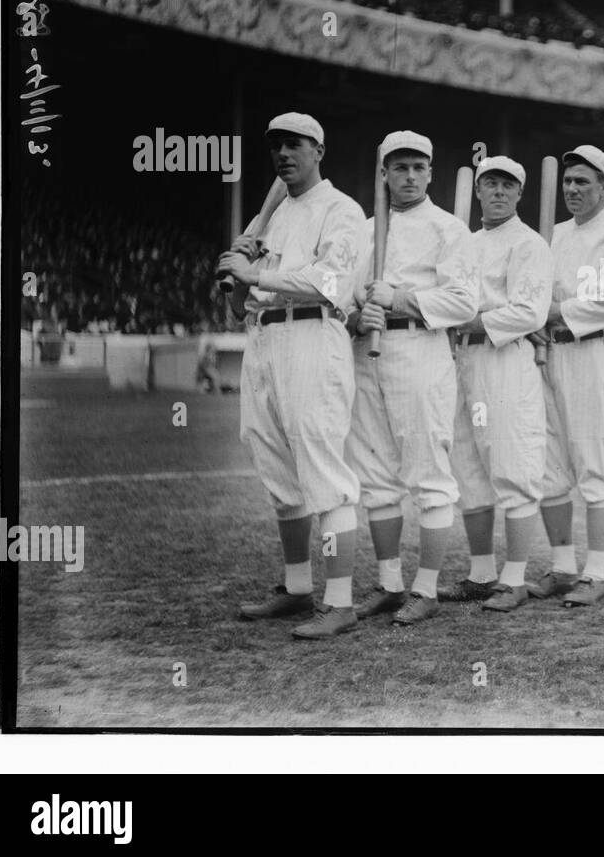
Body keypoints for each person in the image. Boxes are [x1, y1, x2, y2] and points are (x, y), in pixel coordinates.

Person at [218, 112, 368, 639]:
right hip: (264, 338)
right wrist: (235, 275)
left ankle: (341, 602)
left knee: (322, 471)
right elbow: (242, 305)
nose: (284, 153)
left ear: (318, 150)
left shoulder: (341, 209)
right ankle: (299, 587)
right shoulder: (273, 217)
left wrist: (256, 272)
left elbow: (330, 280)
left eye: (295, 145)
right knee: (275, 465)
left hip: (312, 337)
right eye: (276, 145)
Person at [345, 131, 480, 626]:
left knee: (427, 471)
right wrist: (358, 316)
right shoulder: (362, 230)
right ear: (384, 173)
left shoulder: (448, 228)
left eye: (417, 167)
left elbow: (464, 303)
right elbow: (341, 294)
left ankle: (426, 589)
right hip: (367, 348)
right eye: (398, 167)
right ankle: (388, 583)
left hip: (419, 347)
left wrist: (399, 298)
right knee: (374, 474)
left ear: (430, 173)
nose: (407, 176)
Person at [437, 156, 553, 612]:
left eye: (508, 185)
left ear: (519, 193)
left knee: (512, 467)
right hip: (461, 358)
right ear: (478, 190)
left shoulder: (528, 244)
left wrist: (468, 318)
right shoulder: (463, 242)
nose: (498, 192)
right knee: (469, 467)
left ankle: (516, 578)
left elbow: (529, 312)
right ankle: (482, 573)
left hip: (505, 358)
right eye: (490, 184)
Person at [528, 145, 604, 608]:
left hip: (593, 353)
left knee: (596, 463)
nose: (572, 189)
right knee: (549, 467)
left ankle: (596, 570)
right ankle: (563, 566)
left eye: (582, 182)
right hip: (547, 355)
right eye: (568, 181)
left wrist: (554, 310)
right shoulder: (550, 235)